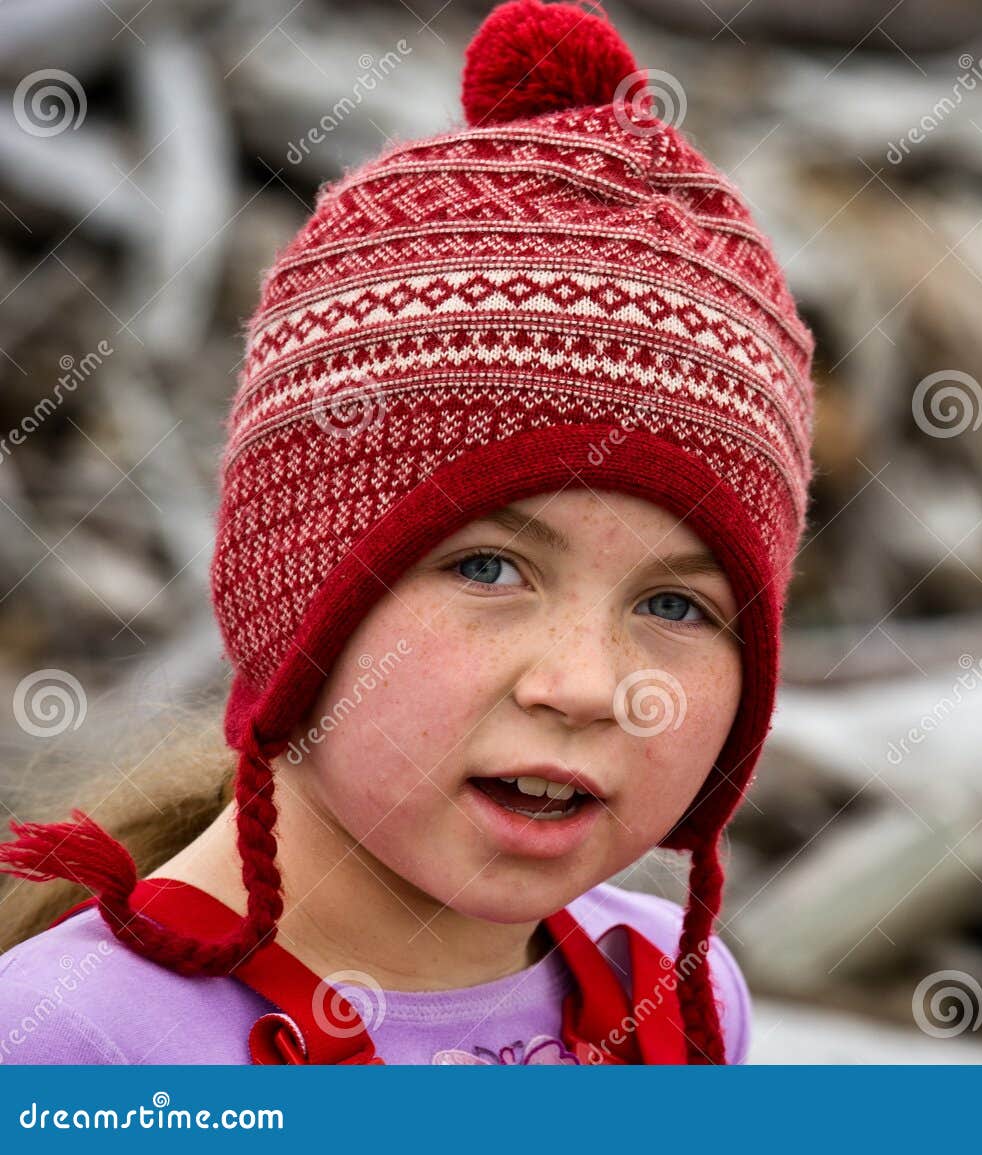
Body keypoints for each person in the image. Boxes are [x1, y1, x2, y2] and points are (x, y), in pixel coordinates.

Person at [0, 0, 814, 1066]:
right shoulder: (75, 1044)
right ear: (293, 596)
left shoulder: (676, 997)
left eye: (675, 603)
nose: (584, 686)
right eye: (488, 567)